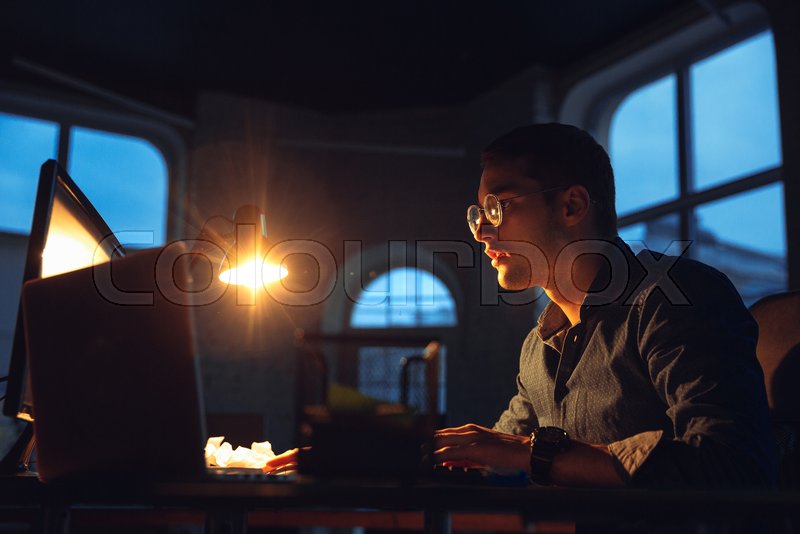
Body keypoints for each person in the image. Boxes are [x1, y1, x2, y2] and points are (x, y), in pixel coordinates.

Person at [266, 123, 776, 489]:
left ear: (573, 206)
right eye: (477, 214)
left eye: (497, 207)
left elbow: (733, 465)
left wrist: (530, 453)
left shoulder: (674, 299)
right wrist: (353, 455)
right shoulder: (541, 344)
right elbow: (496, 452)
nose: (482, 232)